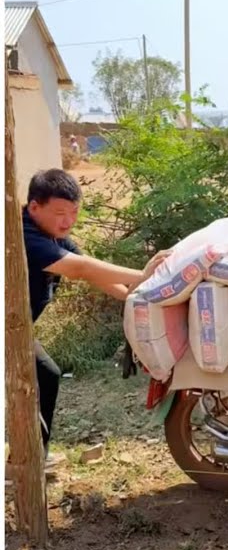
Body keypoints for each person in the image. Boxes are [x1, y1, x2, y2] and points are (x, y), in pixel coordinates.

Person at [22, 169, 169, 457]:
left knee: (46, 376)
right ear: (34, 207)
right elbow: (79, 269)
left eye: (74, 212)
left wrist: (136, 295)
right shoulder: (23, 235)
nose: (68, 221)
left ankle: (32, 457)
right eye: (60, 212)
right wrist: (143, 273)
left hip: (16, 330)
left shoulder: (51, 235)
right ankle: (27, 460)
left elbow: (91, 271)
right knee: (37, 379)